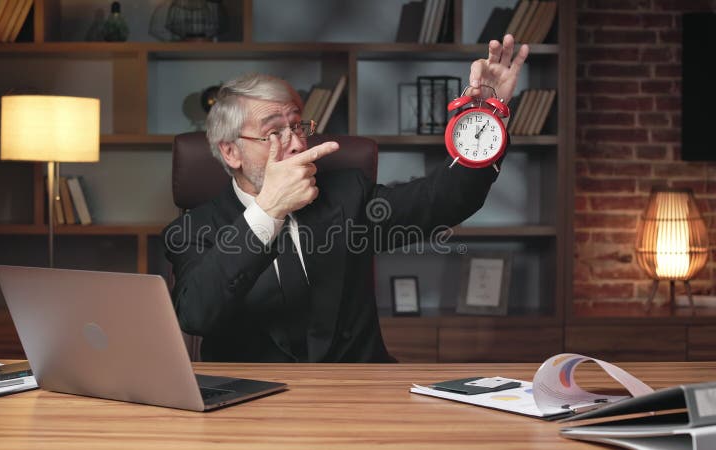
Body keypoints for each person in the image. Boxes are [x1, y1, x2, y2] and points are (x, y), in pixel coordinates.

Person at [164, 35, 530, 363]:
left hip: (359, 394)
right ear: (231, 152)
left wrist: (487, 116)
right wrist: (269, 210)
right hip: (252, 409)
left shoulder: (345, 196)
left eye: (296, 126)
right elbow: (196, 314)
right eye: (273, 132)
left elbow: (442, 201)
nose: (295, 143)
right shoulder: (194, 228)